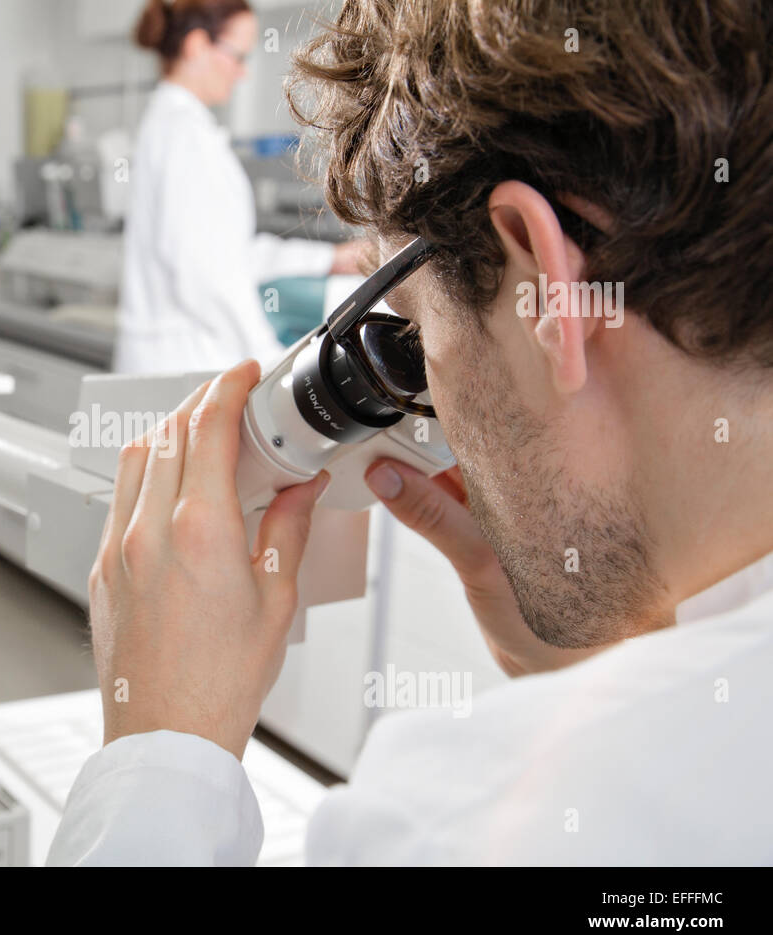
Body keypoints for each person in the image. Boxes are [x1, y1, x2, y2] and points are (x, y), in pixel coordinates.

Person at [49, 0, 773, 864]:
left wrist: (158, 761)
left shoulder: (456, 822)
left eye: (417, 331)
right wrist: (598, 676)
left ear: (545, 288)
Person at [115, 0, 366, 375]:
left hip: (172, 360)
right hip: (181, 362)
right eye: (238, 56)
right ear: (197, 46)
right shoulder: (185, 137)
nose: (243, 72)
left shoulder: (174, 124)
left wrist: (328, 260)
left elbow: (226, 252)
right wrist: (271, 361)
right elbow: (205, 277)